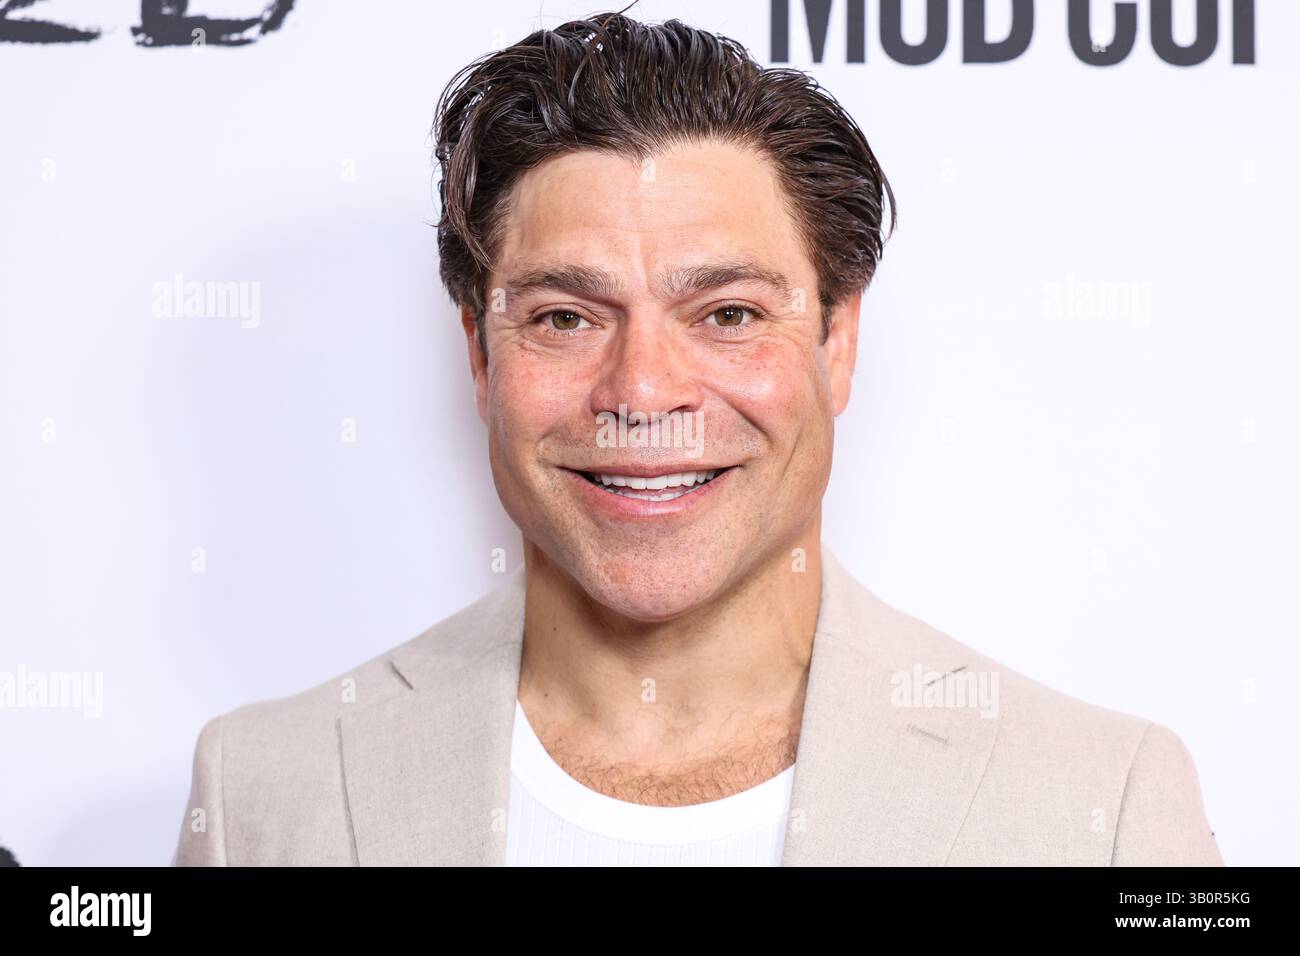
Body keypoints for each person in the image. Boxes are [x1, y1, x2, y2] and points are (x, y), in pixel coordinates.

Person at [172, 11, 1222, 866]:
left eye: (726, 312)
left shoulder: (1101, 799)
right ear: (481, 358)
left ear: (837, 341)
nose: (640, 391)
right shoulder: (267, 785)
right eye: (564, 317)